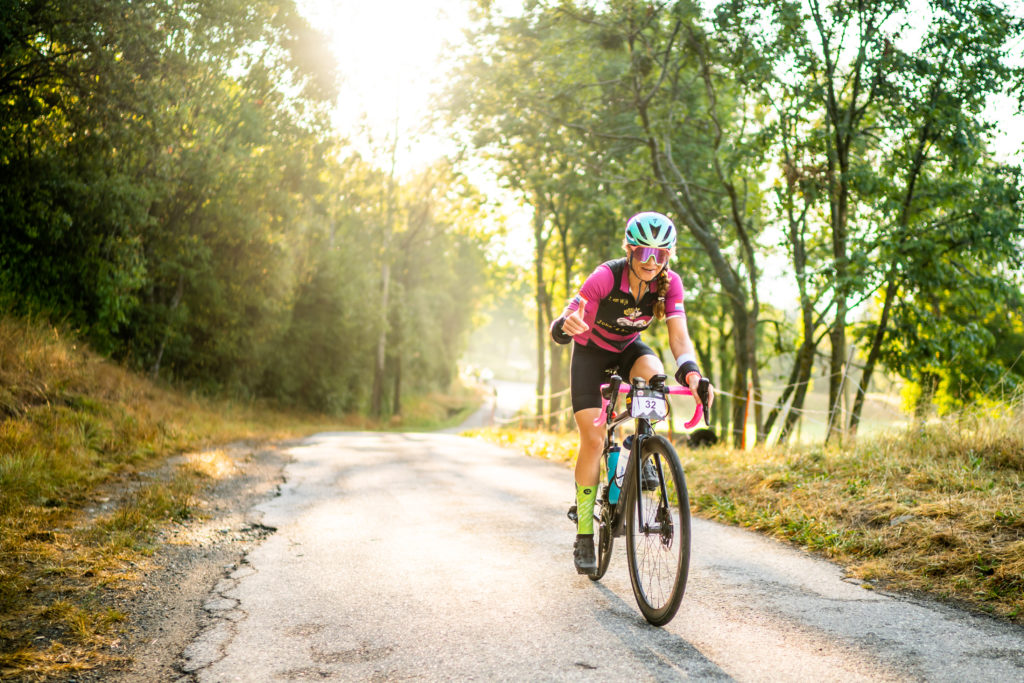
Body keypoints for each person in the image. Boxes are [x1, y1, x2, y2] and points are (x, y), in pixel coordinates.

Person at [550, 211, 715, 575]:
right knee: (594, 439)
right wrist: (565, 325)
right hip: (590, 355)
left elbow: (679, 338)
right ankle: (584, 534)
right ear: (629, 250)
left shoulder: (670, 285)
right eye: (643, 253)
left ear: (668, 256)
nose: (651, 262)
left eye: (660, 255)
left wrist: (692, 375)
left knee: (656, 381)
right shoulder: (605, 277)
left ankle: (639, 449)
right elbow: (564, 320)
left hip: (628, 350)